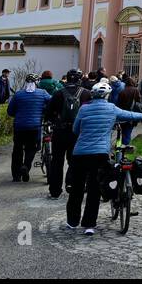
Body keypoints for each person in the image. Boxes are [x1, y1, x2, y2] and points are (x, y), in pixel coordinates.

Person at [66, 80, 142, 235]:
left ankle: (72, 221)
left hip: (80, 153)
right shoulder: (111, 108)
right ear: (107, 95)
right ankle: (89, 224)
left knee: (76, 188)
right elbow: (129, 115)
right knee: (94, 189)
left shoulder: (83, 109)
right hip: (99, 154)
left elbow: (75, 129)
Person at [43, 70, 83, 199]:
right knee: (75, 161)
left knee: (57, 161)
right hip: (77, 132)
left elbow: (48, 112)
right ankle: (72, 184)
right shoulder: (85, 94)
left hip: (60, 131)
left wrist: (53, 120)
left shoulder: (58, 93)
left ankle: (55, 190)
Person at [6, 74, 49, 182]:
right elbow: (52, 103)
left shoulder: (18, 94)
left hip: (19, 126)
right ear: (37, 82)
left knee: (17, 150)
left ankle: (16, 176)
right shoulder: (42, 93)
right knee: (31, 148)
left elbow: (10, 111)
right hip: (34, 127)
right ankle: (25, 166)